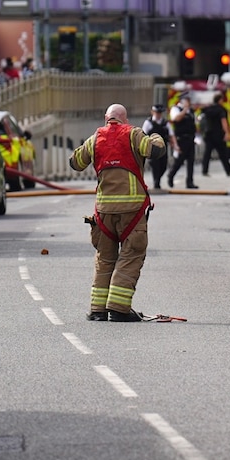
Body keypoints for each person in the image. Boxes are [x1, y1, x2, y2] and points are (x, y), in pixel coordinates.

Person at [69, 104, 165, 322]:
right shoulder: (133, 134)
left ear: (106, 118)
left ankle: (97, 310)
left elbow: (75, 163)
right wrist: (157, 136)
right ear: (125, 118)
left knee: (104, 258)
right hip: (132, 210)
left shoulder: (96, 138)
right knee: (131, 256)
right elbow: (155, 151)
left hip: (103, 212)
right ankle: (119, 308)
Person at [165, 96, 198, 189]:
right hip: (181, 139)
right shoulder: (176, 109)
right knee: (179, 160)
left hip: (190, 138)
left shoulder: (190, 111)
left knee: (191, 161)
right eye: (187, 101)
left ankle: (190, 182)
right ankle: (171, 175)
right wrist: (184, 110)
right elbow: (176, 119)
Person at [198, 92, 230, 177]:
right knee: (223, 153)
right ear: (220, 100)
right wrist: (226, 133)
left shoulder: (207, 109)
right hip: (218, 134)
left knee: (207, 154)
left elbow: (200, 120)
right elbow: (223, 121)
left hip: (208, 134)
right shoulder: (220, 110)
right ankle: (228, 171)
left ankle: (204, 171)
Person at [140, 104, 172, 190]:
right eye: (157, 113)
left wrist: (175, 146)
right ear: (152, 112)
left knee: (163, 166)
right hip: (152, 149)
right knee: (155, 165)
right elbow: (143, 135)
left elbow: (171, 135)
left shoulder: (165, 123)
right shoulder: (148, 123)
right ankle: (156, 182)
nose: (158, 115)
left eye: (160, 113)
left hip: (163, 149)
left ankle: (157, 180)